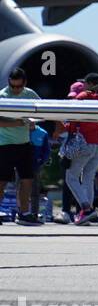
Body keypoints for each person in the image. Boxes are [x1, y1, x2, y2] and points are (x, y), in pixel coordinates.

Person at [64, 71, 98, 225]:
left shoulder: (83, 96)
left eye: (85, 83)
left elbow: (71, 119)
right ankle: (86, 214)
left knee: (71, 177)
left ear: (89, 84)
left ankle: (86, 208)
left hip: (85, 142)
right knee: (88, 178)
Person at [0, 67, 42, 226]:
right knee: (1, 181)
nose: (16, 90)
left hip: (24, 145)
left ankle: (24, 213)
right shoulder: (2, 96)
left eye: (19, 86)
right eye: (13, 86)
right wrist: (17, 123)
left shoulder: (30, 94)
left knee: (27, 180)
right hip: (4, 145)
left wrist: (34, 123)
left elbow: (42, 112)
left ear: (24, 83)